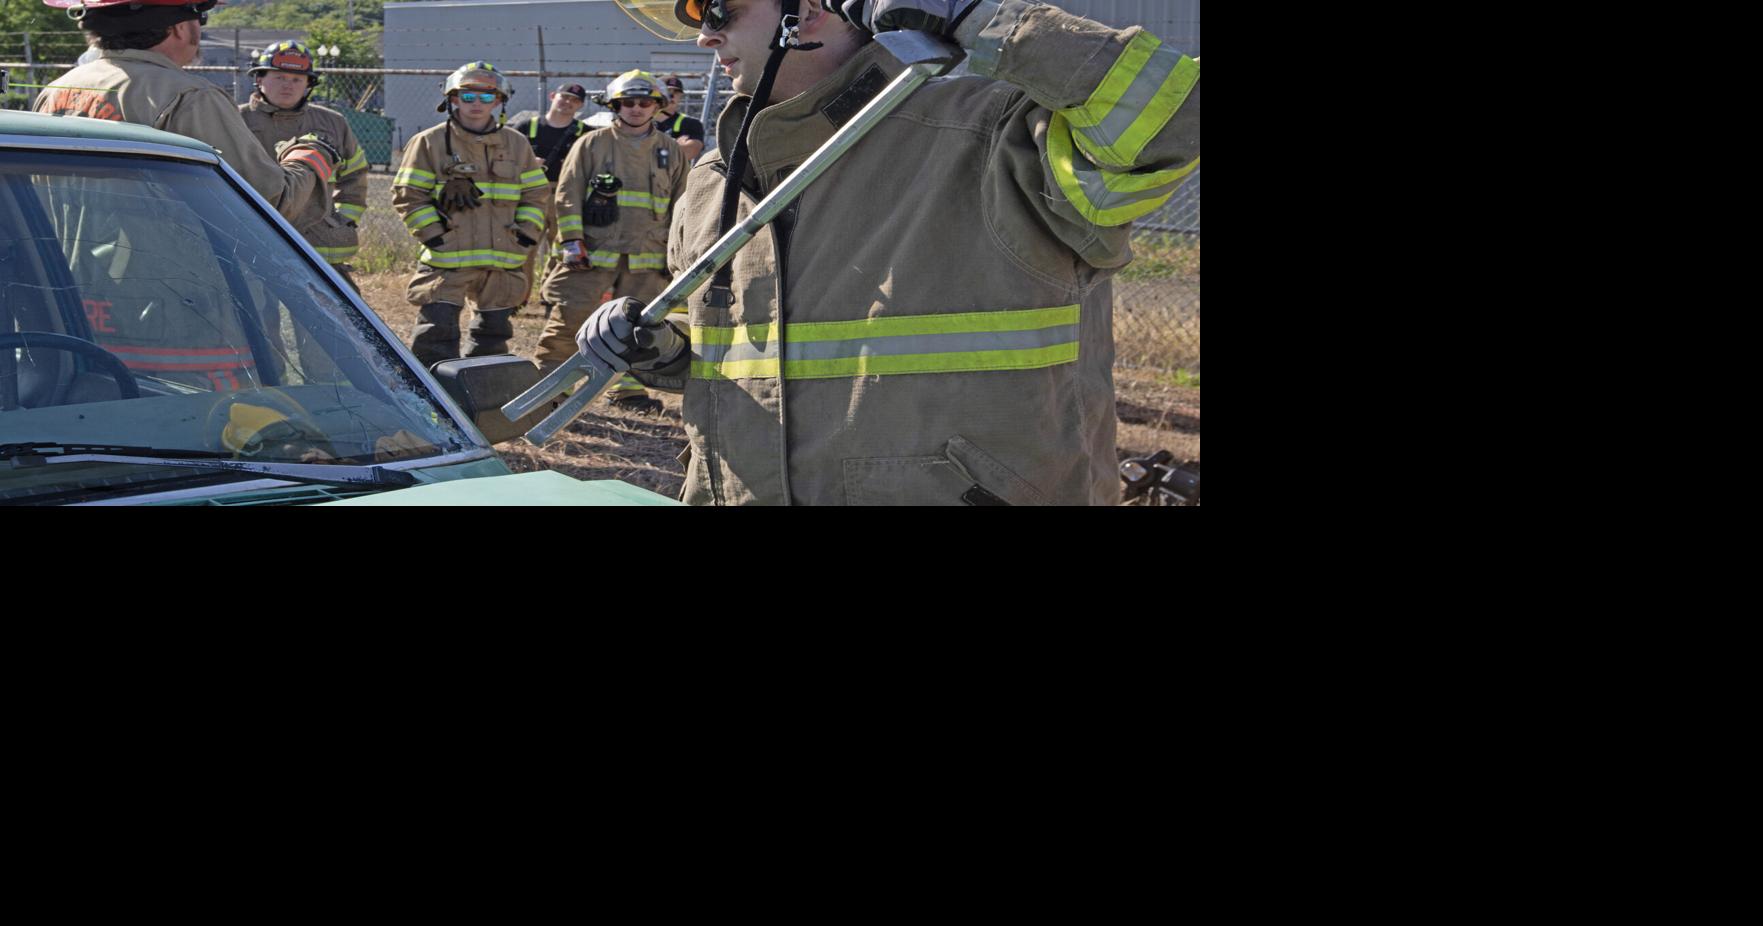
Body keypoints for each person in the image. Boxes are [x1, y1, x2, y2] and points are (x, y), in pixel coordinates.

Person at [581, 0, 1199, 505]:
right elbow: (748, 357)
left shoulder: (997, 136)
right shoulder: (716, 177)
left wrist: (979, 16)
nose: (704, 40)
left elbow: (1178, 121)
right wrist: (660, 350)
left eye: (719, 12)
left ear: (810, 10)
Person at [32, 0, 335, 222]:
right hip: (166, 290)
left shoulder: (57, 90)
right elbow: (266, 201)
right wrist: (308, 159)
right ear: (178, 28)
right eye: (199, 18)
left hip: (69, 285)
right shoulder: (191, 98)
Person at [537, 69, 687, 413]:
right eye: (628, 102)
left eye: (644, 102)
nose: (636, 108)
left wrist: (676, 255)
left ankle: (627, 392)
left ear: (657, 106)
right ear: (615, 105)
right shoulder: (591, 144)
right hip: (593, 254)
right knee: (568, 320)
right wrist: (572, 242)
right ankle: (548, 391)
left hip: (648, 259)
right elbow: (567, 193)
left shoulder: (670, 151)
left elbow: (683, 205)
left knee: (639, 331)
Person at [391, 60, 548, 366]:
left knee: (492, 336)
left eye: (487, 97)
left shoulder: (516, 144)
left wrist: (525, 235)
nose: (477, 104)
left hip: (501, 260)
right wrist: (435, 236)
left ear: (500, 101)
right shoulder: (430, 142)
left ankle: (478, 400)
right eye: (468, 97)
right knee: (436, 333)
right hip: (448, 259)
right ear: (452, 100)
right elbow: (408, 194)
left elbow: (536, 194)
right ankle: (432, 399)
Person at [238, 40, 370, 289]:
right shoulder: (237, 119)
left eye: (297, 79)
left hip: (319, 239)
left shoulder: (333, 123)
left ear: (308, 84)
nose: (288, 85)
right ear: (260, 79)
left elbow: (355, 175)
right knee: (258, 316)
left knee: (339, 317)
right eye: (279, 77)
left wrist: (343, 219)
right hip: (253, 233)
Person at [507, 83, 593, 309]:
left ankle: (550, 297)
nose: (567, 103)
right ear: (553, 96)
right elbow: (504, 155)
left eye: (574, 100)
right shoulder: (526, 126)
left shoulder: (584, 132)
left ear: (581, 105)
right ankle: (517, 299)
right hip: (530, 196)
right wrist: (525, 163)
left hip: (565, 197)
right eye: (564, 97)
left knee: (562, 249)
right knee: (524, 249)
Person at [656, 75, 706, 163]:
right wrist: (675, 145)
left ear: (681, 96)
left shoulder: (691, 124)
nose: (672, 96)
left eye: (676, 92)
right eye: (667, 91)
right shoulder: (641, 121)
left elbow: (689, 152)